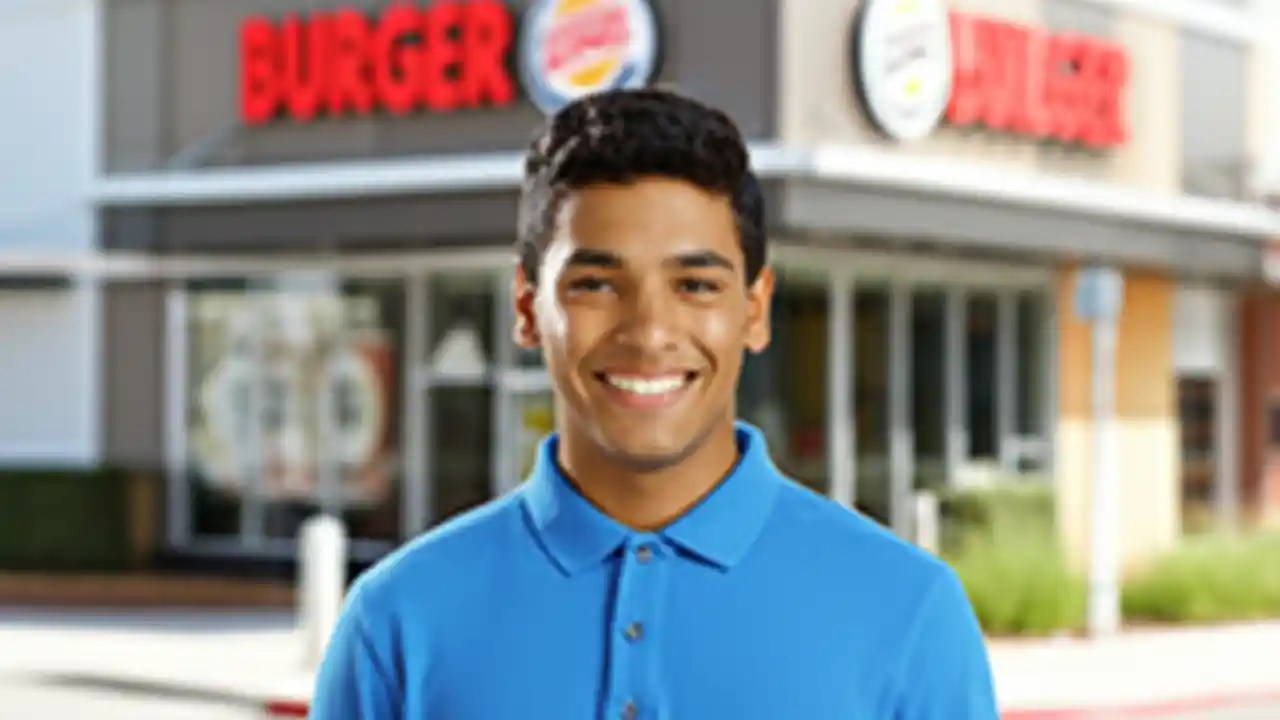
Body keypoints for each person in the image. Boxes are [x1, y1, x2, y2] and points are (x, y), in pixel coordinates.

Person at [310, 88, 1000, 719]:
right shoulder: (397, 620)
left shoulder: (909, 613)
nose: (648, 333)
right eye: (596, 285)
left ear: (755, 310)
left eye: (695, 285)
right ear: (527, 308)